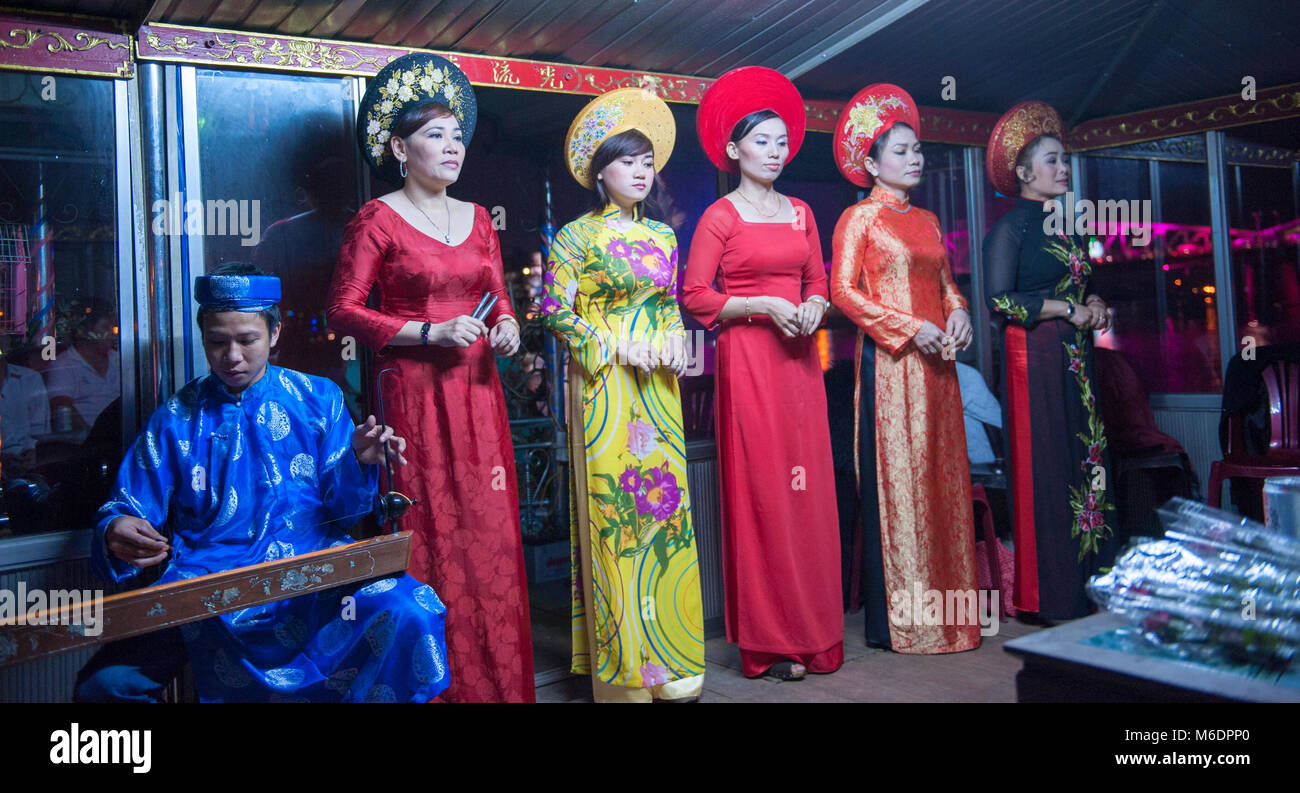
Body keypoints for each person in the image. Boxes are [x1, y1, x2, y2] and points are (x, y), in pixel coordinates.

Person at [80, 263, 449, 702]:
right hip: (210, 592)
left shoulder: (319, 399)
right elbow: (127, 507)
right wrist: (116, 531)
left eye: (247, 340)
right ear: (202, 337)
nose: (232, 356)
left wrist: (357, 462)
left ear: (274, 334)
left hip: (314, 577)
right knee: (102, 686)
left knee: (411, 611)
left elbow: (345, 509)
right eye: (217, 342)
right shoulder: (175, 419)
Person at [327, 53, 535, 702]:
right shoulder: (377, 219)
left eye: (457, 136)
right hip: (413, 399)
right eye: (435, 135)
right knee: (429, 538)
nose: (452, 147)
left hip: (477, 396)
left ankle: (498, 686)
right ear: (398, 147)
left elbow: (500, 300)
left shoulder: (478, 219)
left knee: (488, 538)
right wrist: (427, 332)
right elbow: (342, 310)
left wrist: (508, 328)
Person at [541, 87, 705, 702]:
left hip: (658, 391)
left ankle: (674, 655)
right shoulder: (575, 238)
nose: (641, 172)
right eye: (627, 162)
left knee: (668, 518)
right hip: (606, 389)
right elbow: (554, 312)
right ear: (599, 172)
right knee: (616, 518)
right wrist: (613, 342)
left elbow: (669, 308)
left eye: (647, 162)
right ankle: (624, 673)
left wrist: (672, 344)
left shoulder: (664, 236)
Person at [682, 66, 843, 681]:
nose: (775, 152)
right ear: (733, 149)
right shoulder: (720, 216)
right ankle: (770, 642)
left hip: (800, 361)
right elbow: (695, 296)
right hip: (748, 362)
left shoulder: (802, 212)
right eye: (762, 142)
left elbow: (819, 281)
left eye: (782, 143)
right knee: (764, 491)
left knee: (810, 494)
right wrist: (759, 306)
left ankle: (818, 634)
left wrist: (811, 306)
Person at [830, 84, 981, 654]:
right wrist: (909, 327)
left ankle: (954, 619)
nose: (915, 159)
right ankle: (906, 623)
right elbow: (840, 291)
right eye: (901, 151)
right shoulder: (859, 218)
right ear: (870, 162)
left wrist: (960, 314)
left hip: (939, 367)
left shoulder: (927, 219)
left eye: (918, 150)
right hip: (892, 364)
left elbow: (945, 286)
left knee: (944, 480)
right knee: (903, 485)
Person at [982, 101, 1115, 620]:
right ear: (1023, 173)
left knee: (1089, 459)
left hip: (1076, 358)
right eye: (1053, 161)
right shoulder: (1010, 229)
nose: (1064, 169)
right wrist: (1068, 309)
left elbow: (1086, 284)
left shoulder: (1073, 224)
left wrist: (1096, 305)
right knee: (1047, 464)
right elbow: (1000, 300)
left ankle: (1092, 587)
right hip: (1033, 357)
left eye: (1065, 161)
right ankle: (1049, 597)